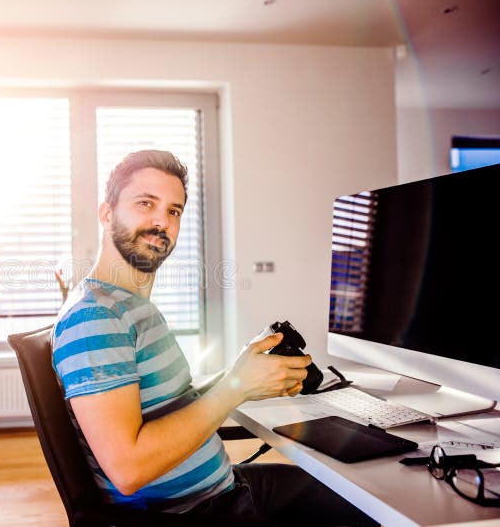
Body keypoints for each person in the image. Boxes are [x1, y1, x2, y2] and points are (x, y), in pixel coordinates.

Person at [51, 149, 378, 525]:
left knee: (354, 495)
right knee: (373, 507)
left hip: (222, 490)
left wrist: (240, 372)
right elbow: (129, 468)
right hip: (202, 512)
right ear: (107, 213)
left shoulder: (128, 306)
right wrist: (236, 388)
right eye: (145, 204)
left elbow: (168, 405)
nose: (161, 222)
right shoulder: (96, 317)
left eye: (174, 211)